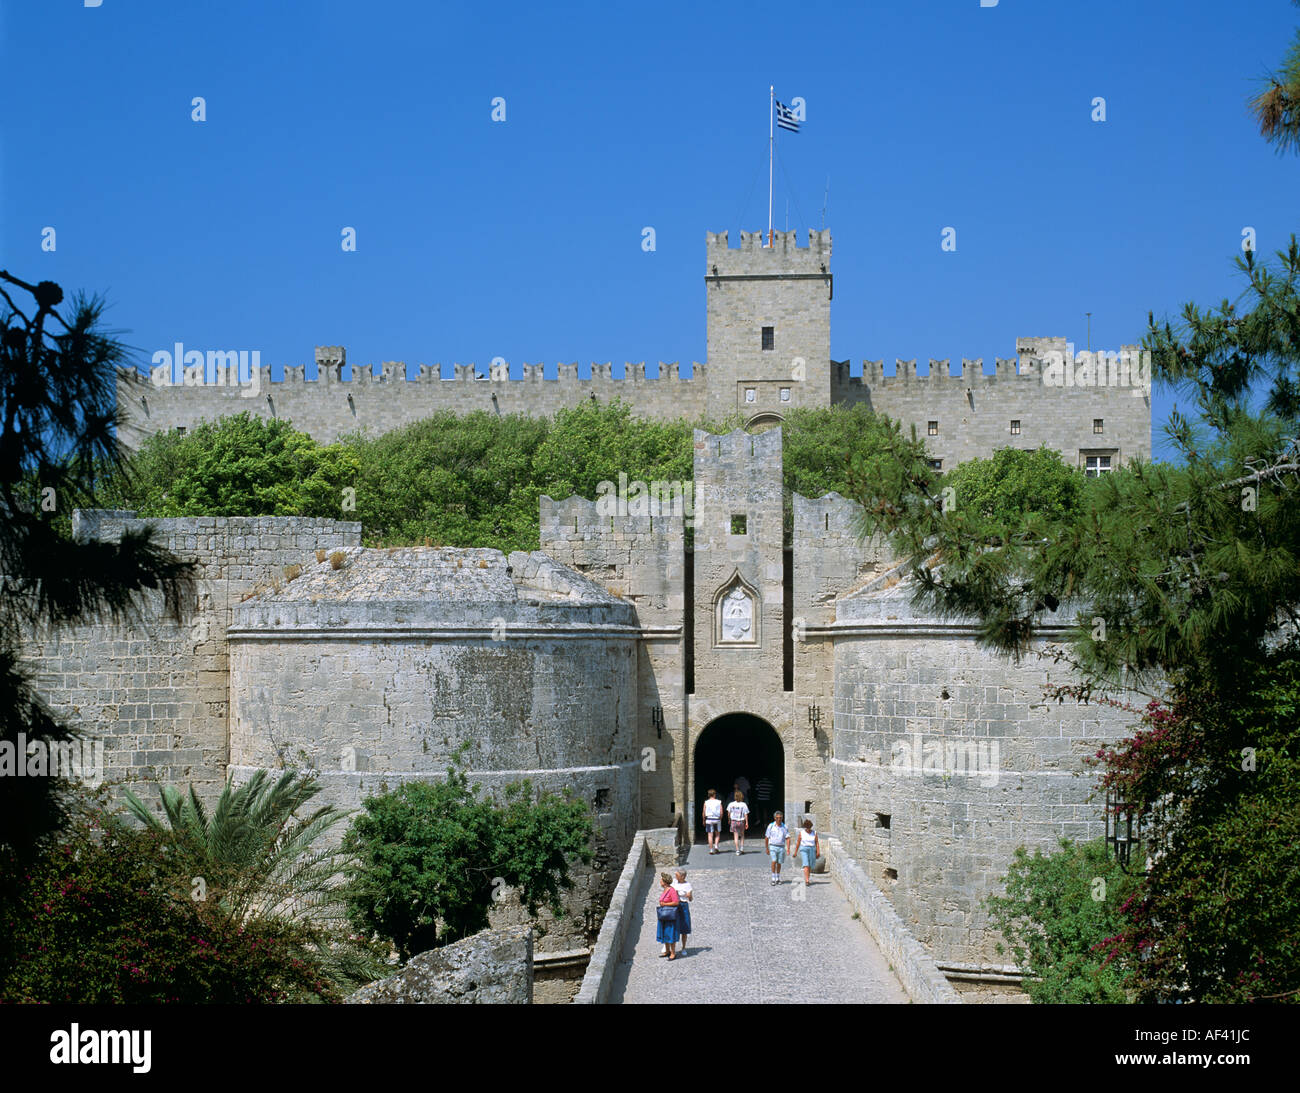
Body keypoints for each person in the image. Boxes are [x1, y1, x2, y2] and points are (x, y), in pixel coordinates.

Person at [656, 872, 680, 959]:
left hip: (670, 916)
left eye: (661, 880)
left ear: (665, 882)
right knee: (665, 933)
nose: (660, 881)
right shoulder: (666, 889)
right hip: (664, 915)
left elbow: (676, 902)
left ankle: (673, 953)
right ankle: (667, 951)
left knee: (670, 933)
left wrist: (665, 904)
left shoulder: (671, 890)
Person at [764, 810, 790, 885]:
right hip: (773, 846)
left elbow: (788, 838)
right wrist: (767, 848)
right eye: (777, 818)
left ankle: (778, 877)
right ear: (775, 818)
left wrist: (788, 849)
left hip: (781, 847)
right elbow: (766, 837)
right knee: (774, 860)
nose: (779, 819)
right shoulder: (771, 826)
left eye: (780, 818)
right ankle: (773, 877)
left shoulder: (784, 826)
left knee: (779, 862)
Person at [672, 869, 693, 953]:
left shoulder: (687, 885)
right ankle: (671, 948)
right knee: (673, 926)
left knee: (684, 927)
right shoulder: (674, 882)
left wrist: (689, 896)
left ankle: (683, 947)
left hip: (683, 906)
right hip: (675, 905)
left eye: (677, 875)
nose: (675, 877)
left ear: (682, 876)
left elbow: (691, 899)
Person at [797, 818, 819, 886]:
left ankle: (807, 877)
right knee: (806, 864)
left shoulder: (814, 833)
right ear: (805, 827)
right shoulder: (802, 833)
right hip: (804, 849)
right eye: (807, 827)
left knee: (810, 865)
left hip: (812, 849)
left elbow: (816, 842)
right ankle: (807, 880)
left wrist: (818, 851)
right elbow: (798, 842)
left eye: (809, 827)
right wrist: (795, 852)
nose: (808, 829)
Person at [726, 790, 749, 855]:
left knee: (735, 836)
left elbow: (728, 813)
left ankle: (737, 850)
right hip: (741, 821)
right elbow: (746, 814)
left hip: (734, 821)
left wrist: (729, 820)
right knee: (742, 835)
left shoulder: (731, 804)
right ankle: (741, 848)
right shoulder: (743, 804)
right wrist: (747, 822)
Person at [702, 789, 723, 854]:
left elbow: (703, 812)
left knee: (710, 835)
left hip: (709, 819)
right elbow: (721, 812)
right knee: (717, 834)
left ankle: (711, 850)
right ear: (714, 794)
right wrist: (720, 818)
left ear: (708, 795)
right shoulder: (719, 802)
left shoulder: (706, 802)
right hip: (716, 819)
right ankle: (716, 846)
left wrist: (703, 820)